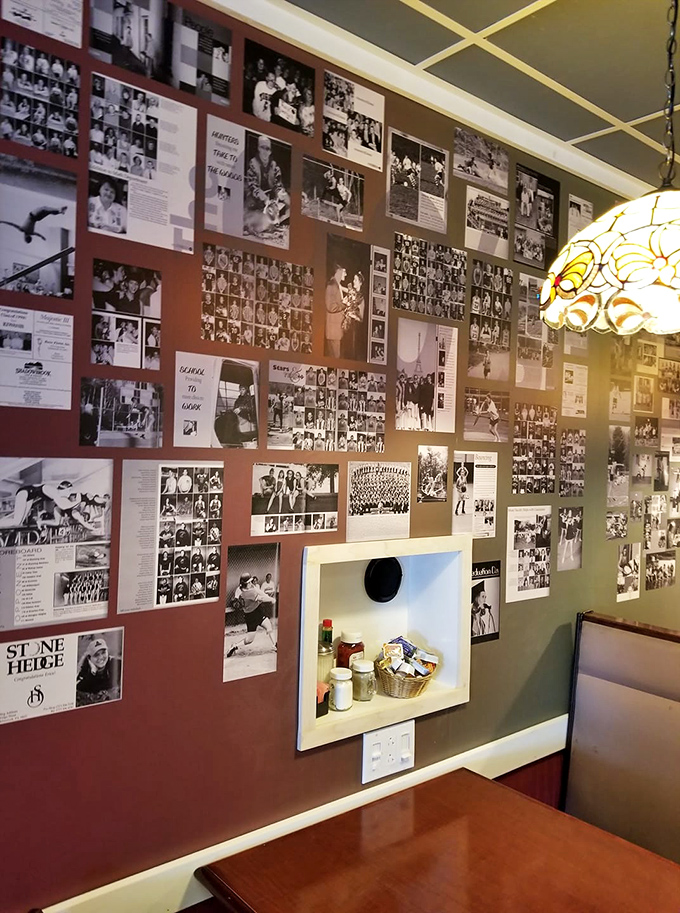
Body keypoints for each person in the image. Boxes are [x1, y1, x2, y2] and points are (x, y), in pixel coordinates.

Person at [245, 134, 290, 230]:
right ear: (258, 148)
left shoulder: (275, 167)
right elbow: (253, 186)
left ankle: (278, 222)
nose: (265, 151)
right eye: (263, 148)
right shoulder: (253, 164)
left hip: (272, 199)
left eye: (267, 149)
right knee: (249, 206)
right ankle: (255, 224)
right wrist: (264, 198)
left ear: (270, 152)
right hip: (257, 197)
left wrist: (280, 193)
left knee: (288, 200)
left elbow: (278, 185)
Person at [226, 574, 277, 657]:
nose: (251, 582)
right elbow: (261, 598)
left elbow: (259, 591)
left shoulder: (246, 588)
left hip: (257, 611)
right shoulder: (247, 593)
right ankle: (235, 646)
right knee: (249, 640)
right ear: (245, 583)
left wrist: (267, 596)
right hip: (251, 616)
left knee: (268, 626)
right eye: (249, 582)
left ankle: (275, 645)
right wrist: (271, 599)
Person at [76, 636, 122, 703]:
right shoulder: (85, 671)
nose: (100, 657)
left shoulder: (117, 664)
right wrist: (93, 673)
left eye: (103, 653)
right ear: (89, 658)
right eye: (96, 655)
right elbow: (80, 688)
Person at [0, 204, 68, 243]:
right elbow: (12, 224)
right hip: (33, 215)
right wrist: (2, 221)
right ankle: (59, 210)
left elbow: (38, 234)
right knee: (44, 208)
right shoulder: (22, 229)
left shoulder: (31, 233)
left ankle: (59, 211)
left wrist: (42, 237)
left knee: (48, 211)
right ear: (25, 237)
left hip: (37, 219)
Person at [325, 262, 346, 358]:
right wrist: (344, 305)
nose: (346, 274)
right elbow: (331, 306)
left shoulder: (337, 285)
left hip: (336, 331)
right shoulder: (332, 285)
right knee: (335, 358)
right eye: (344, 272)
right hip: (333, 331)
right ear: (338, 272)